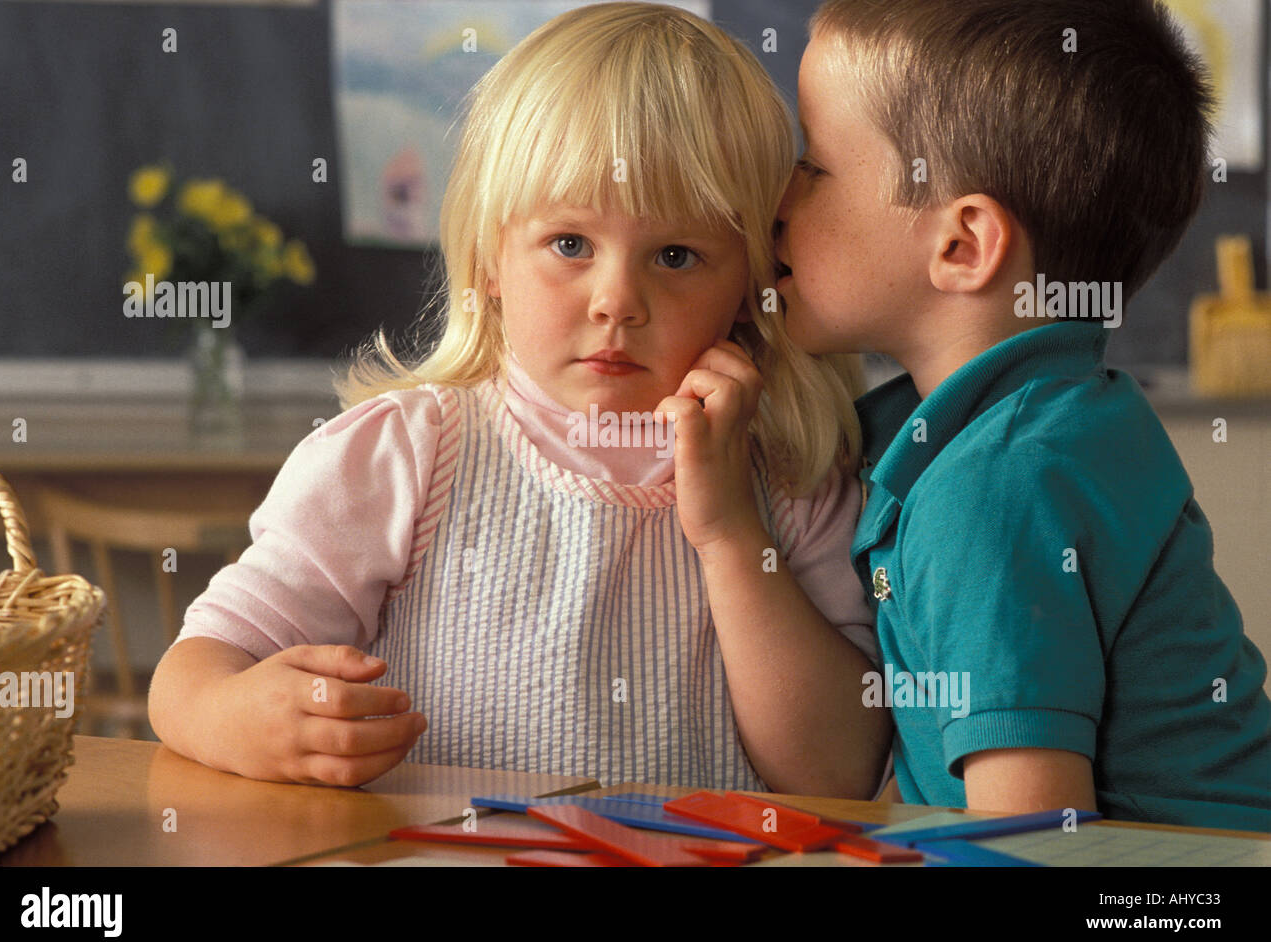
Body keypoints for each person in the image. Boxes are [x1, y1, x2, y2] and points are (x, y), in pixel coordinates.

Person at [149, 2, 890, 796]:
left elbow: (836, 771)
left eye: (676, 254)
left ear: (746, 287)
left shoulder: (789, 475)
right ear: (491, 259)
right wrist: (240, 715)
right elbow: (190, 675)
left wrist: (732, 533)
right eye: (570, 244)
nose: (617, 300)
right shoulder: (403, 453)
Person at [775, 0, 1271, 829]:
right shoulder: (1055, 419)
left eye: (814, 167)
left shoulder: (989, 488)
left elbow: (1038, 841)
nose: (778, 197)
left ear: (963, 246)